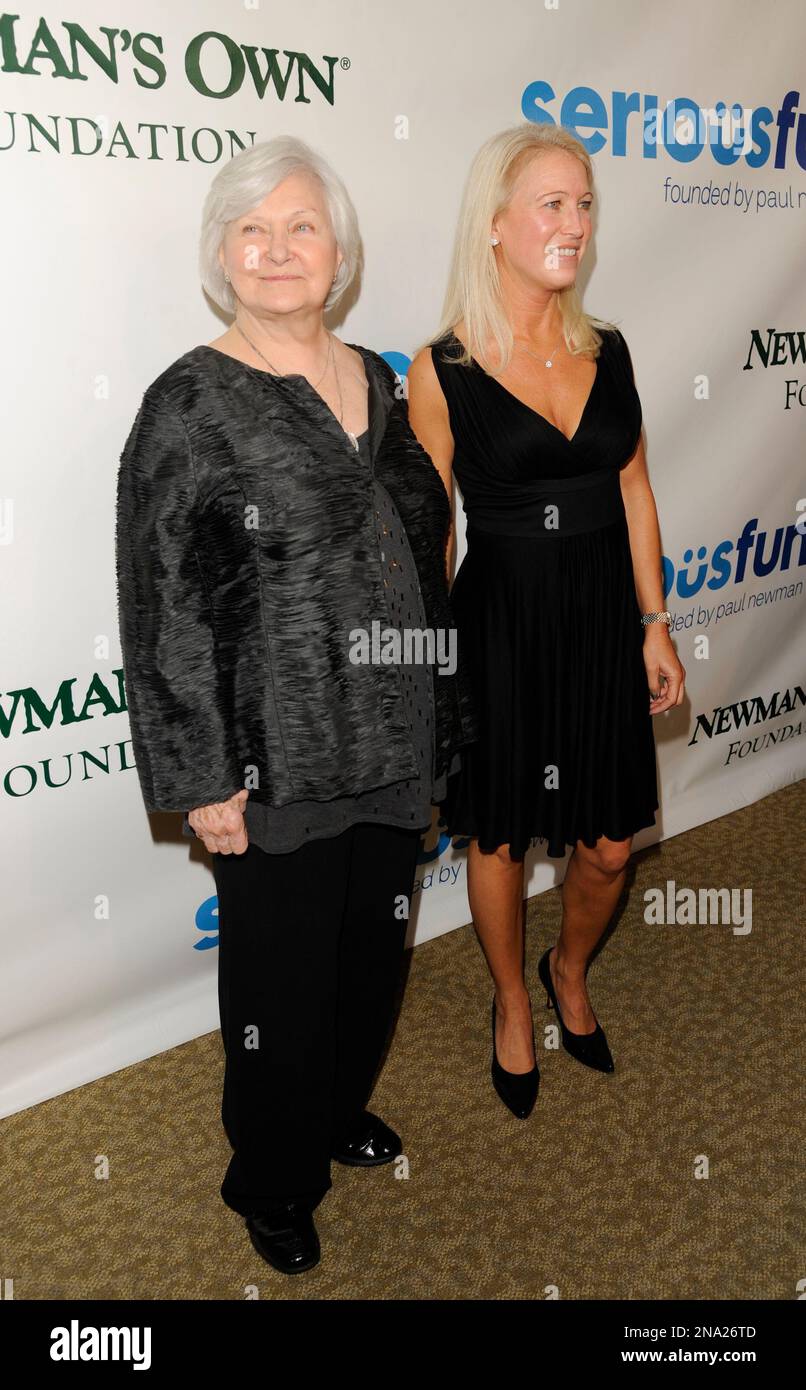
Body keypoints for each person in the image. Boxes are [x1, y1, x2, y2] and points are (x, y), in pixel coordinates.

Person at [115, 135, 476, 1273]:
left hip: (396, 742)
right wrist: (202, 777)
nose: (278, 249)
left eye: (302, 226)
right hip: (276, 764)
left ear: (340, 253)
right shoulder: (188, 402)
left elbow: (420, 552)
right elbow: (163, 603)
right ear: (222, 254)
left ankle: (331, 1111)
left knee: (371, 963)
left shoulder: (380, 379)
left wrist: (446, 714)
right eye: (253, 230)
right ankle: (271, 1175)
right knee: (281, 982)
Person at [407, 122, 685, 1120]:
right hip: (503, 627)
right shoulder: (441, 368)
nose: (574, 223)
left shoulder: (607, 349)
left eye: (584, 204)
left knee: (608, 846)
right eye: (551, 204)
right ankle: (513, 1000)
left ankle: (566, 965)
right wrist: (435, 658)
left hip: (605, 622)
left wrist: (655, 621)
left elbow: (635, 489)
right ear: (494, 224)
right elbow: (435, 528)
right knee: (498, 837)